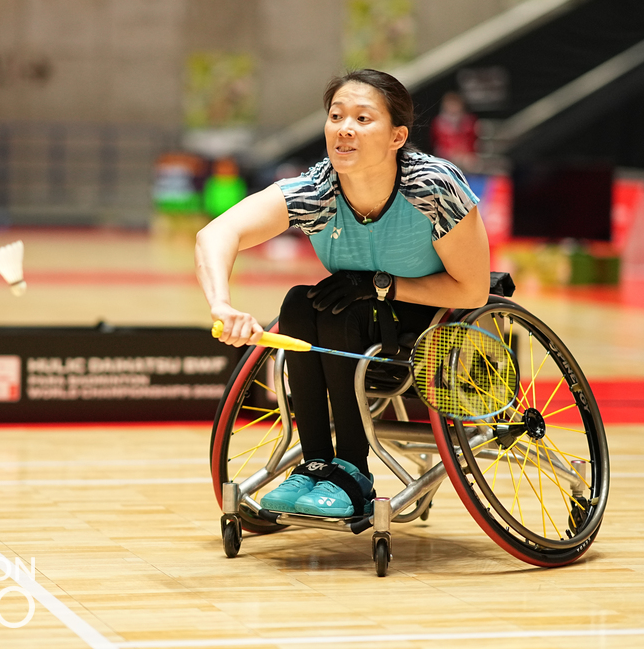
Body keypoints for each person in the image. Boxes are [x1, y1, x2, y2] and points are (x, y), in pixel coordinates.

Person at [195, 69, 491, 518]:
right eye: (336, 116)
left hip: (430, 326)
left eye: (362, 118)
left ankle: (353, 469)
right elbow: (218, 234)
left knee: (344, 314)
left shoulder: (432, 187)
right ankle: (314, 462)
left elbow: (472, 290)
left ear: (397, 136)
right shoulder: (318, 191)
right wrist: (221, 304)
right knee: (299, 301)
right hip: (356, 318)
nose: (344, 128)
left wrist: (382, 286)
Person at [430, 91, 479, 172]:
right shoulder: (439, 122)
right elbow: (437, 143)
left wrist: (463, 154)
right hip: (446, 156)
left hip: (466, 157)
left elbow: (472, 142)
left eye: (455, 104)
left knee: (469, 162)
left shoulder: (469, 121)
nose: (453, 107)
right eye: (450, 104)